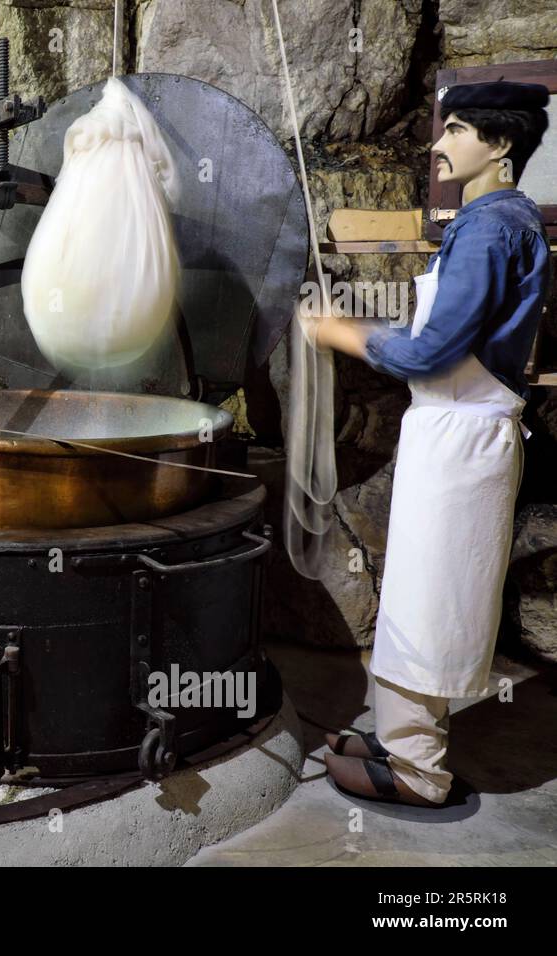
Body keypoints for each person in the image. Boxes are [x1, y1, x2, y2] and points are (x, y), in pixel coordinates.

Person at [300, 80, 550, 806]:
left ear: (500, 145)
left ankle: (417, 773)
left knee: (432, 599)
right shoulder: (495, 221)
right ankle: (399, 736)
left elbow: (431, 351)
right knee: (421, 593)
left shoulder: (494, 228)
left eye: (458, 130)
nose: (439, 145)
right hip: (453, 433)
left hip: (461, 437)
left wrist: (336, 329)